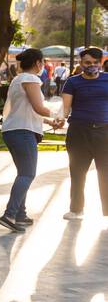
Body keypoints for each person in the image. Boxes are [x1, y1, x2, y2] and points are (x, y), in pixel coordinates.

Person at [0, 48, 64, 231]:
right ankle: (10, 214)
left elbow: (28, 109)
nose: (43, 66)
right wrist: (59, 114)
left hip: (13, 130)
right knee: (27, 174)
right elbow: (38, 107)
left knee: (23, 174)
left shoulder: (18, 79)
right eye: (42, 62)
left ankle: (20, 214)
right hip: (23, 132)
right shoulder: (31, 78)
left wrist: (50, 121)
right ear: (37, 63)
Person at [60, 46, 108, 222]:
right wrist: (60, 118)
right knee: (78, 172)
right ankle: (76, 210)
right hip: (79, 132)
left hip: (105, 132)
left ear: (101, 63)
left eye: (96, 62)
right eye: (88, 62)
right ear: (81, 63)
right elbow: (65, 108)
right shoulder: (72, 82)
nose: (92, 65)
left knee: (106, 173)